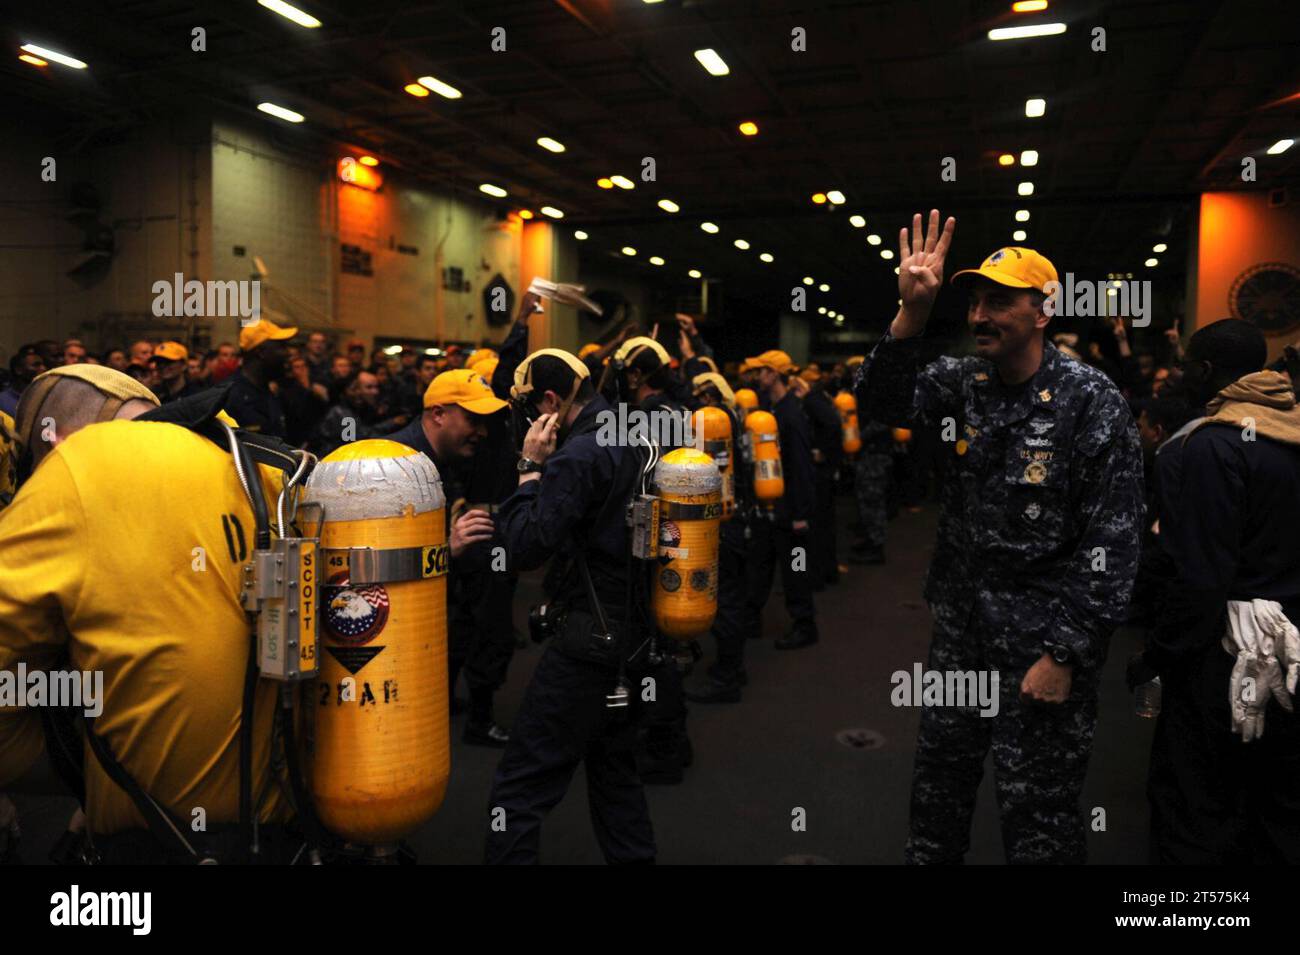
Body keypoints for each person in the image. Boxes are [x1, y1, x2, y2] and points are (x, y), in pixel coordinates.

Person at [856, 211, 1143, 864]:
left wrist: (1066, 652)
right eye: (976, 301)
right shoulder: (965, 381)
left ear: (1043, 311)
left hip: (1041, 641)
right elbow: (878, 406)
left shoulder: (1089, 400)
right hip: (961, 631)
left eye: (1000, 301)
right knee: (937, 790)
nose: (981, 315)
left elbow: (1114, 540)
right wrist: (911, 316)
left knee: (1037, 811)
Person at [1132, 320, 1300, 864]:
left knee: (1198, 807)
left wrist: (1156, 656)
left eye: (1186, 366)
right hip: (1294, 653)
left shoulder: (1211, 447)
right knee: (1280, 810)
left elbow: (1199, 579)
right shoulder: (1292, 432)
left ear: (1204, 371)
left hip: (1222, 658)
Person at [484, 349, 656, 864]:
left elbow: (523, 547)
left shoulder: (577, 455)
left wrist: (529, 468)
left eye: (527, 406)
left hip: (588, 640)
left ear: (551, 402)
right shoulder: (631, 429)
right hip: (637, 633)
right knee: (615, 780)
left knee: (518, 789)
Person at [389, 368, 515, 745]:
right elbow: (379, 563)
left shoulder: (438, 461)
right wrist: (448, 548)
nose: (483, 431)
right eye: (473, 419)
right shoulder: (398, 466)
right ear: (439, 414)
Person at [685, 372, 757, 703]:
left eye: (700, 396)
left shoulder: (714, 423)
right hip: (740, 515)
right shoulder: (737, 419)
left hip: (721, 521)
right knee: (735, 596)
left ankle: (726, 679)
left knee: (725, 599)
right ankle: (734, 667)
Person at [742, 349, 820, 650]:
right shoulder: (771, 409)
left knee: (795, 570)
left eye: (760, 370)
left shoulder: (791, 414)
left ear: (773, 374)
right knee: (759, 565)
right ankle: (751, 619)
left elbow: (801, 466)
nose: (754, 376)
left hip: (789, 510)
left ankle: (805, 624)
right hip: (768, 506)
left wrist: (800, 513)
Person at [226, 319, 295, 437]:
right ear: (261, 352)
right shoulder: (230, 397)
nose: (288, 353)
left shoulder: (269, 392)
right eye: (282, 347)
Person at [310, 370, 404, 457]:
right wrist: (392, 424)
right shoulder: (341, 413)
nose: (358, 393)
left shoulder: (360, 409)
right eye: (354, 389)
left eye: (376, 387)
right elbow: (354, 442)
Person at [0, 345, 46, 418]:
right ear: (18, 369)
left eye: (43, 364)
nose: (43, 368)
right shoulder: (2, 401)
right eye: (36, 365)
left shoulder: (46, 398)